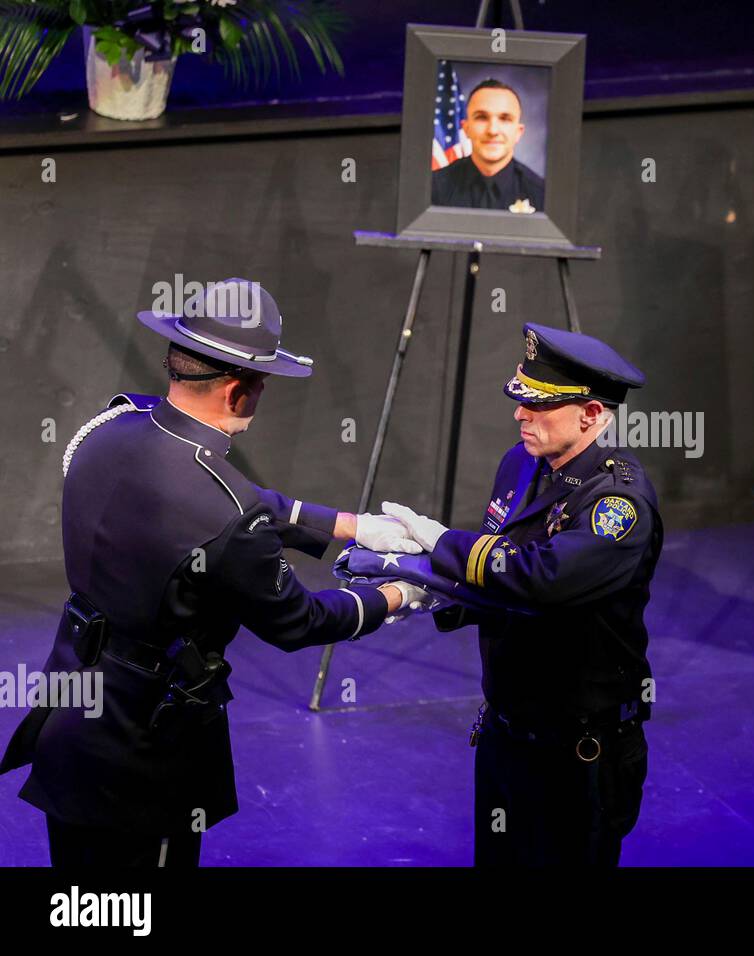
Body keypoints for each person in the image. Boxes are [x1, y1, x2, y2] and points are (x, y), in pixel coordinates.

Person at [0, 279, 428, 867]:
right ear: (239, 392)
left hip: (74, 702)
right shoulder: (227, 509)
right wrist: (397, 594)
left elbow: (233, 502)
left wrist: (349, 526)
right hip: (145, 742)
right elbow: (298, 621)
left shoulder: (112, 428)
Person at [381, 323, 662, 866]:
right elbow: (501, 576)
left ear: (592, 415)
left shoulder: (618, 503)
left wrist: (440, 545)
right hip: (508, 731)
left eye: (540, 406)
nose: (520, 415)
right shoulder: (521, 463)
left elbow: (543, 581)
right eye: (520, 400)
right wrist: (424, 586)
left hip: (580, 750)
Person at [430, 78, 545, 212]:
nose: (492, 130)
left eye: (504, 119)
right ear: (466, 129)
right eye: (482, 117)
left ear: (518, 132)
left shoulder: (541, 195)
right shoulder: (434, 189)